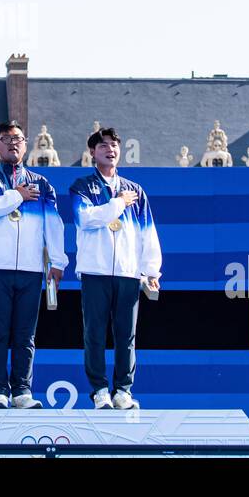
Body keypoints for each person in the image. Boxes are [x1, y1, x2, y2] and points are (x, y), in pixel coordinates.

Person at [0, 121, 68, 410]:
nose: (13, 143)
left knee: (25, 335)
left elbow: (54, 225)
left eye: (19, 139)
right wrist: (17, 196)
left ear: (26, 145)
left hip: (31, 268)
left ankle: (22, 391)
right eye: (7, 139)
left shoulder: (43, 184)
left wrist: (58, 262)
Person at [70, 126, 162, 410]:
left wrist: (151, 271)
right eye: (103, 145)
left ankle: (123, 390)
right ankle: (99, 389)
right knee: (94, 333)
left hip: (127, 272)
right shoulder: (82, 187)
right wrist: (117, 203)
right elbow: (86, 219)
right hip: (95, 271)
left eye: (114, 145)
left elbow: (148, 232)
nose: (110, 150)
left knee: (126, 335)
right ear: (92, 153)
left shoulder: (136, 190)